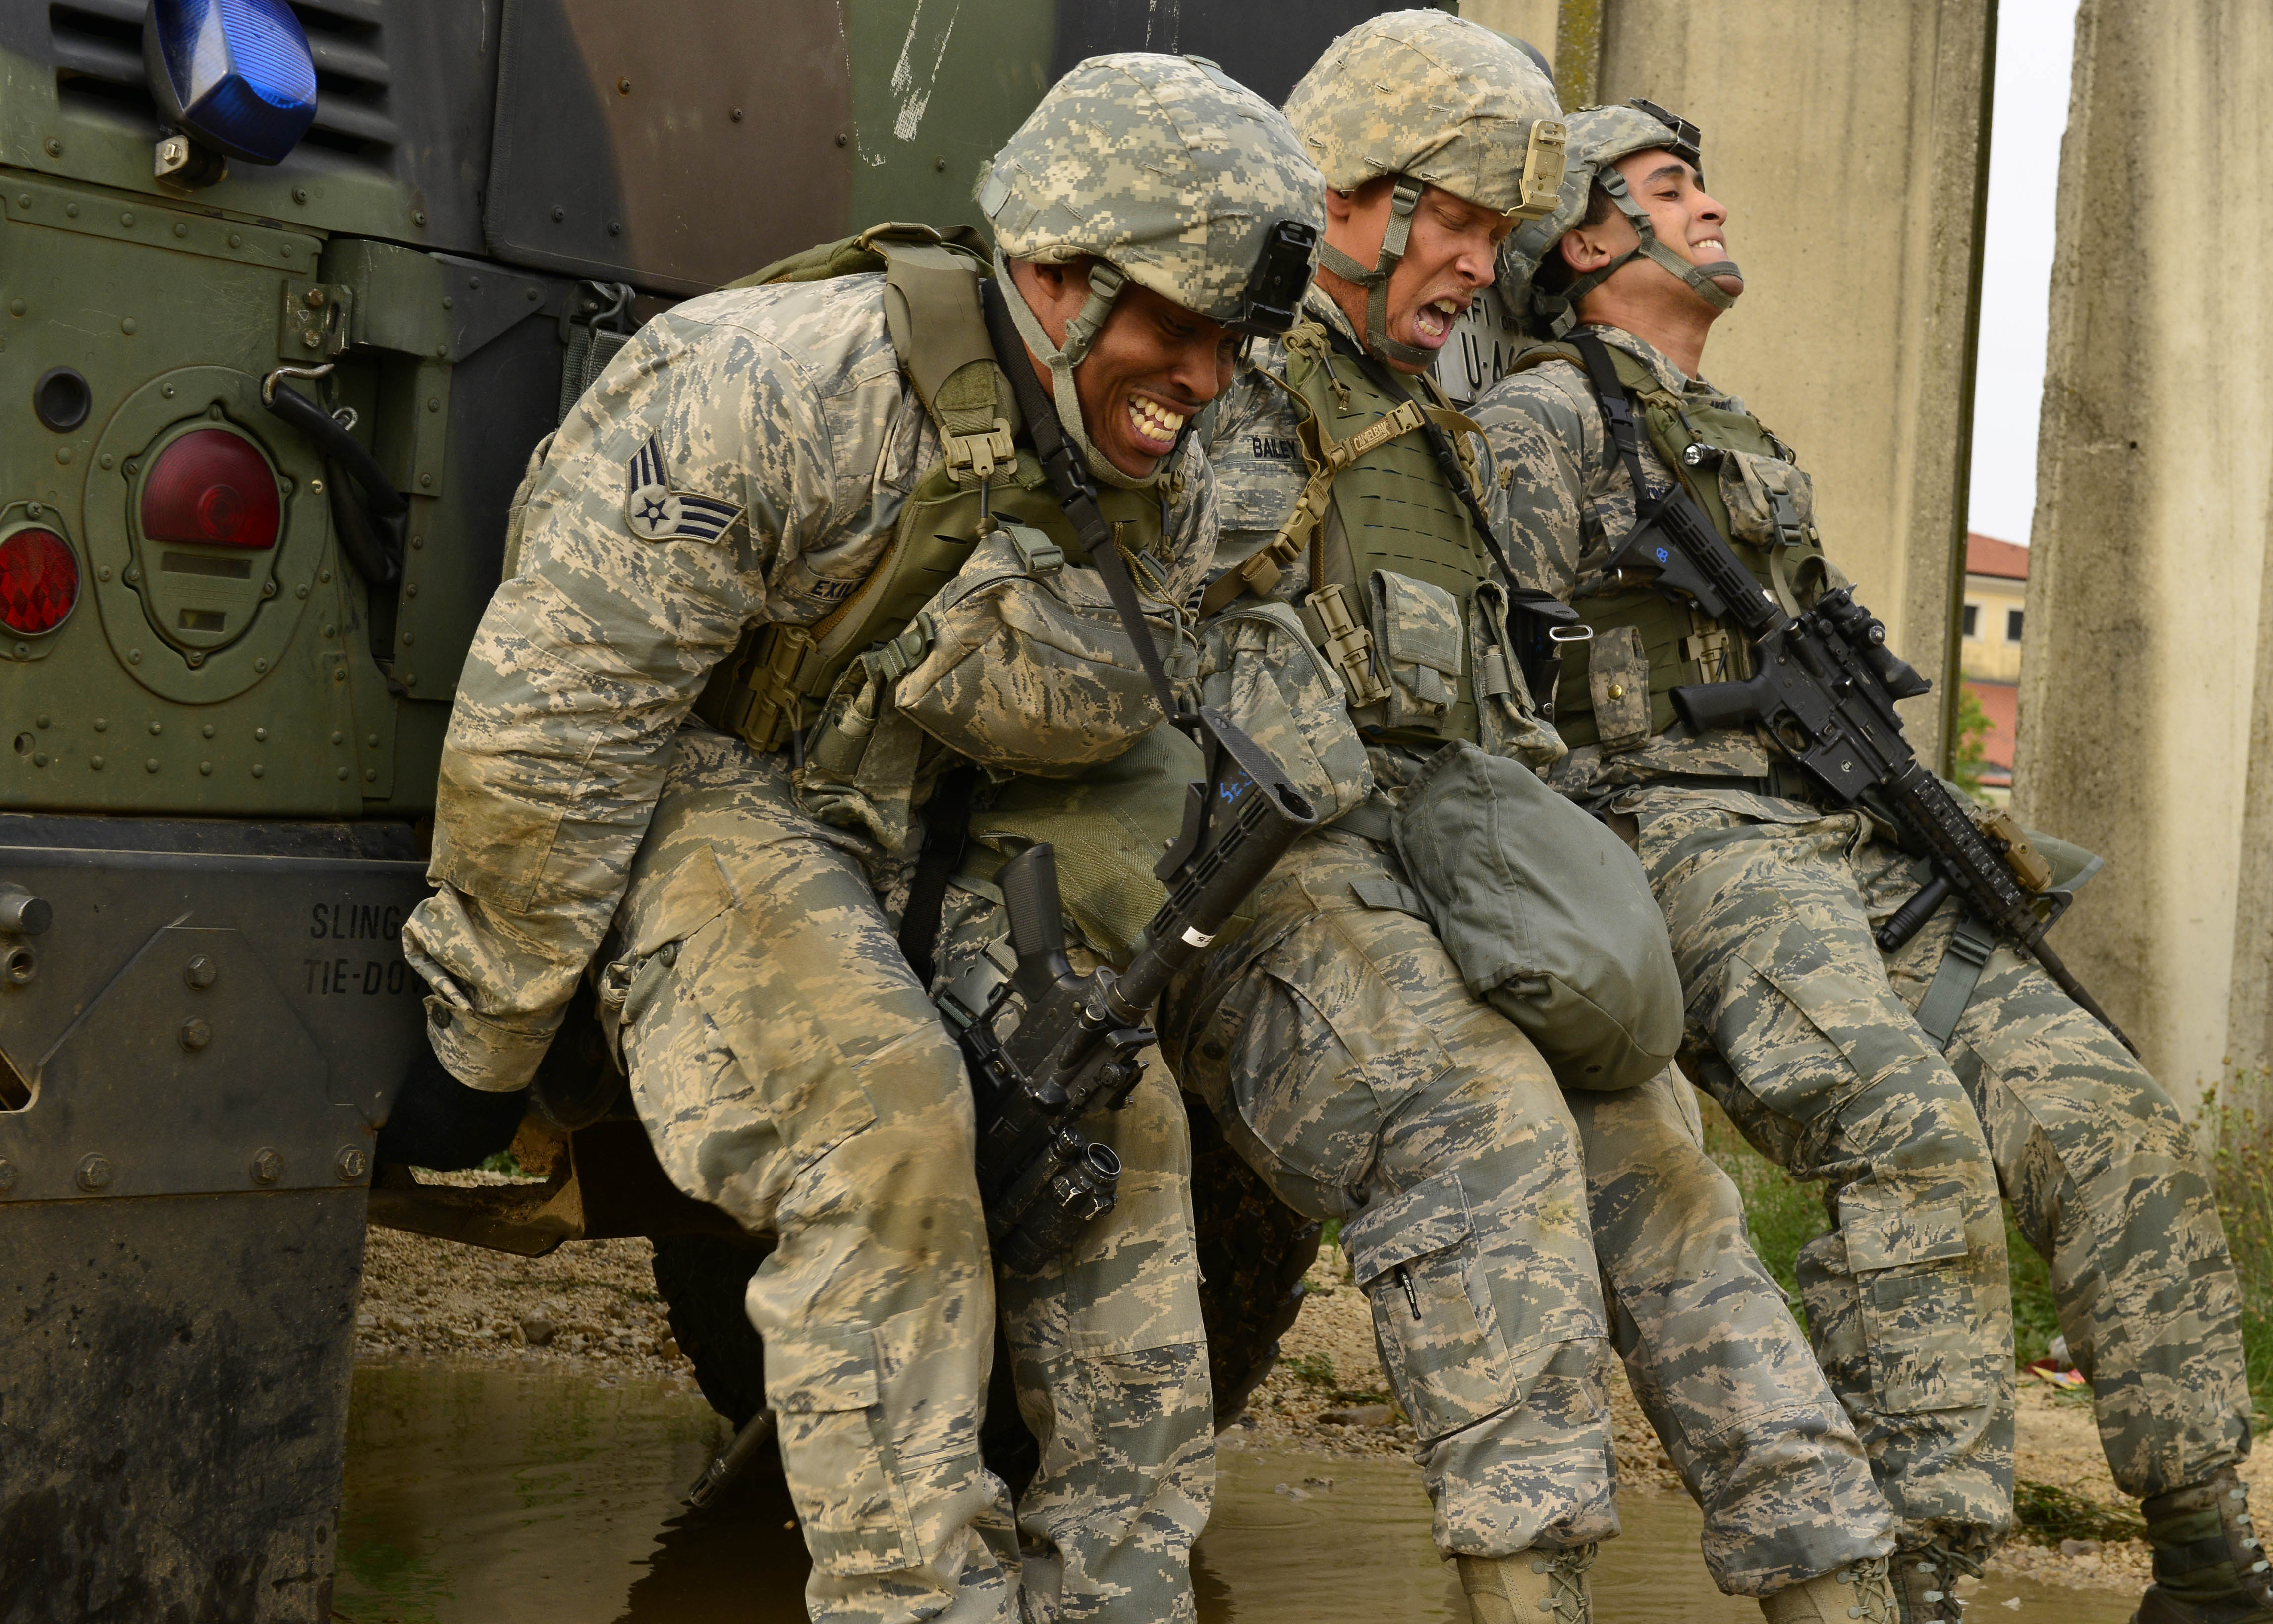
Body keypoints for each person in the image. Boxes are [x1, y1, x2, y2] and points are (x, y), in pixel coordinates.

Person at [394, 54, 1326, 1624]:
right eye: (1174, 322)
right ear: (1047, 269)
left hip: (961, 828)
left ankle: (1119, 1596)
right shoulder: (773, 386)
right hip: (712, 786)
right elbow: (558, 728)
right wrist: (481, 1041)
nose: (1208, 375)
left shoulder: (1214, 456)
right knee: (883, 1127)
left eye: (1234, 338)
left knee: (1122, 1139)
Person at [1473, 99, 2266, 1624]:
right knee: (1906, 1141)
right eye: (1666, 187)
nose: (1706, 208)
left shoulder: (1741, 439)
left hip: (1846, 841)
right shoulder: (1541, 424)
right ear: (1587, 241)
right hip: (1682, 837)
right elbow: (1481, 679)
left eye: (1700, 183)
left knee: (2114, 1119)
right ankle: (1916, 1576)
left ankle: (2203, 1550)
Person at [1157, 15, 1897, 1623]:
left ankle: (1833, 1582)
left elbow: (1499, 720)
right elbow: (1188, 667)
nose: (1483, 270)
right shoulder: (1236, 382)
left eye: (1504, 234)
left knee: (1660, 1155)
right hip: (1265, 901)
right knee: (1483, 1122)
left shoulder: (1434, 430)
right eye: (1467, 225)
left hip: (1435, 886)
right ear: (1356, 197)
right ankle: (1525, 1591)